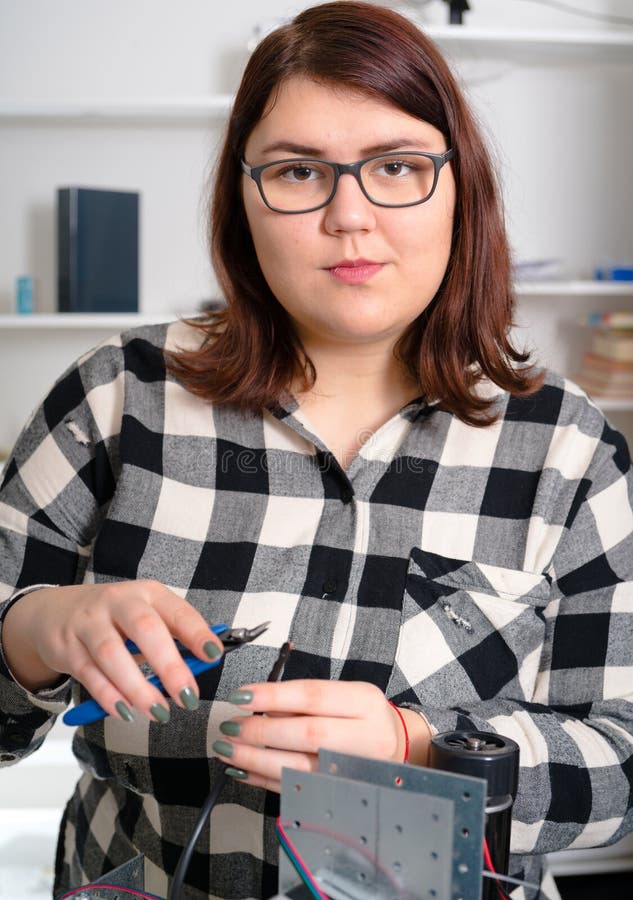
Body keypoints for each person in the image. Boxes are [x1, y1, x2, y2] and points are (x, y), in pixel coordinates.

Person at [1, 2, 632, 898]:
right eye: (299, 171)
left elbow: (622, 762)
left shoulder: (567, 452)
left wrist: (420, 746)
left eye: (397, 166)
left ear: (461, 187)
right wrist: (33, 631)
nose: (349, 216)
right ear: (243, 197)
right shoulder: (118, 395)